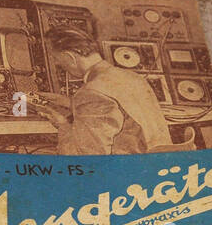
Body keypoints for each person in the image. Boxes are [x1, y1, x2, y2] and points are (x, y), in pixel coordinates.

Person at [31, 27, 189, 154]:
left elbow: (89, 160)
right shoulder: (131, 76)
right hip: (157, 162)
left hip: (127, 174)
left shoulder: (91, 92)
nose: (59, 65)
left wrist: (62, 126)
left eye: (57, 60)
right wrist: (70, 103)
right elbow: (121, 113)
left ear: (69, 57)